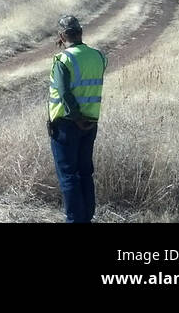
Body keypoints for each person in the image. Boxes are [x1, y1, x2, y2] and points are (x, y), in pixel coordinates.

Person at [47, 14, 107, 223]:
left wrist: (75, 117)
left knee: (68, 176)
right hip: (90, 124)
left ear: (62, 35)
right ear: (81, 33)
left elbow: (65, 94)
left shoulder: (63, 59)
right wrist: (83, 119)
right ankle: (86, 219)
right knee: (84, 174)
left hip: (66, 125)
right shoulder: (99, 56)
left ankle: (74, 220)